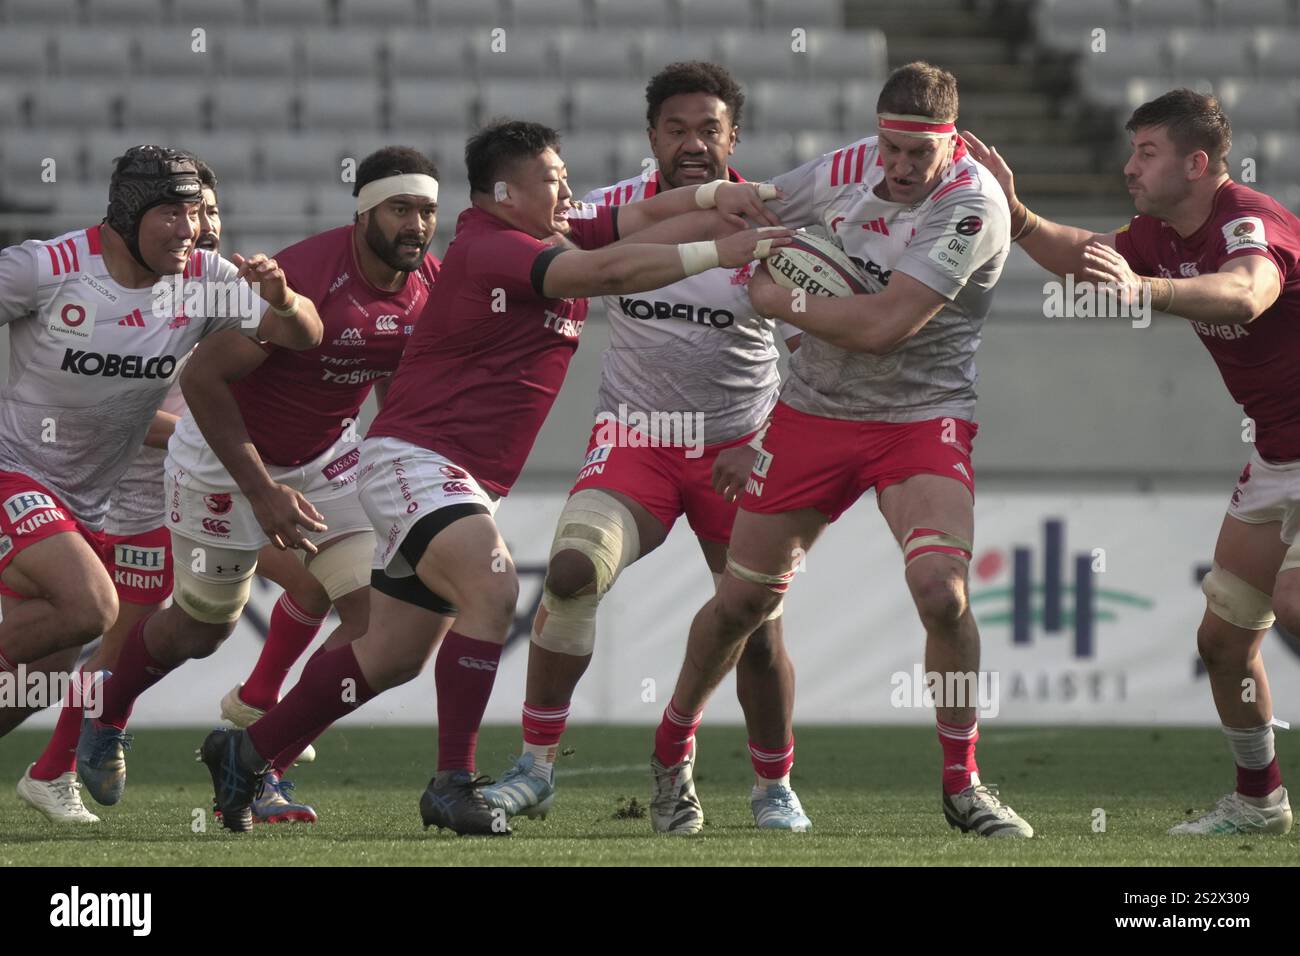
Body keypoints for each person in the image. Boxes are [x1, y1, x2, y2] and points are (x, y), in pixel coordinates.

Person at [199, 118, 790, 834]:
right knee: (496, 585)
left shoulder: (549, 230)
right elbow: (607, 273)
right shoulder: (492, 246)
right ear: (505, 191)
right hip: (416, 459)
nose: (567, 189)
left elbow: (641, 215)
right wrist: (723, 248)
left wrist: (722, 198)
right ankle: (452, 782)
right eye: (552, 178)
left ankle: (246, 751)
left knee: (390, 657)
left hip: (456, 475)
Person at [648, 61, 1035, 837]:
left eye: (913, 156)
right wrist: (644, 228)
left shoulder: (971, 205)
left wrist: (778, 297)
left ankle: (964, 782)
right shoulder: (853, 166)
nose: (893, 169)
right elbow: (755, 205)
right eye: (887, 147)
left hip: (921, 417)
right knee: (743, 603)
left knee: (942, 592)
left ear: (949, 144)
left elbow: (887, 325)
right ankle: (671, 755)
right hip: (812, 413)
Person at [480, 63, 809, 833]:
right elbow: (529, 255)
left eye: (709, 129)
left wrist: (764, 444)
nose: (693, 143)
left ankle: (772, 787)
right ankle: (535, 767)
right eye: (677, 129)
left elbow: (821, 360)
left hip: (740, 444)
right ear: (652, 135)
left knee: (757, 628)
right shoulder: (615, 209)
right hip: (638, 439)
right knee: (569, 571)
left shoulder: (770, 224)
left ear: (734, 137)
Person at [70, 147, 443, 823]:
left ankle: (257, 759)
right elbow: (202, 381)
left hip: (329, 463)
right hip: (221, 464)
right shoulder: (304, 273)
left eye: (427, 210)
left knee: (377, 629)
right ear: (363, 214)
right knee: (203, 627)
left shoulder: (427, 285)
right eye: (400, 208)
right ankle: (109, 710)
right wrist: (263, 490)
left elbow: (398, 376)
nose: (416, 224)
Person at [963, 88, 1300, 835]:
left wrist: (1149, 290)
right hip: (1279, 456)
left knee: (1297, 603)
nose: (1130, 167)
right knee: (1223, 641)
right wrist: (1016, 218)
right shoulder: (1159, 232)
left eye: (1147, 153)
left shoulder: (1249, 218)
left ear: (1199, 162)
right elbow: (1083, 259)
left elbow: (1247, 295)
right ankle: (1260, 802)